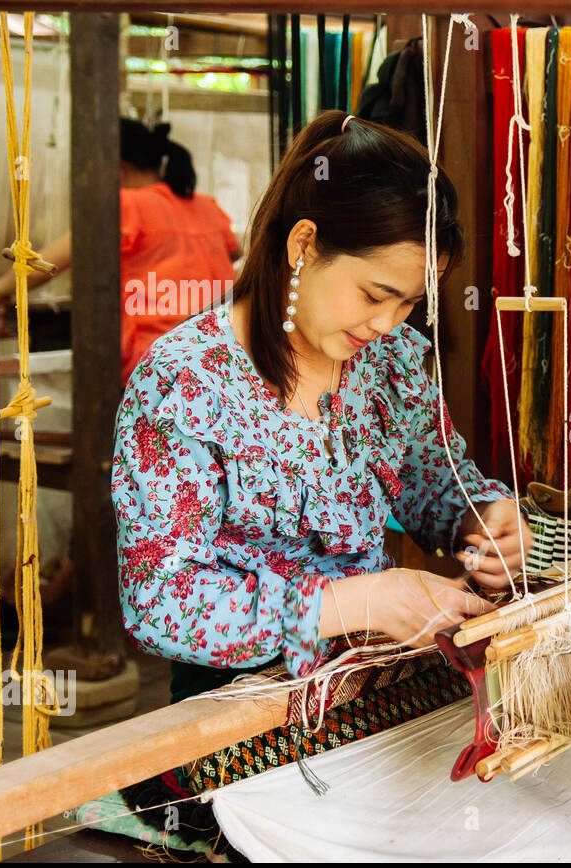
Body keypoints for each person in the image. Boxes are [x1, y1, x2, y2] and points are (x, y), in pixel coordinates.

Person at [110, 110, 533, 703]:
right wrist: (358, 602)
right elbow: (161, 604)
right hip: (244, 709)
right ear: (304, 245)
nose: (387, 323)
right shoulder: (185, 382)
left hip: (373, 685)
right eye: (375, 294)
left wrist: (482, 519)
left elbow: (431, 481)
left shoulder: (389, 364)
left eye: (409, 303)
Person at [0, 119, 241, 388]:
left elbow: (45, 264)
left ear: (118, 169)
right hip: (223, 362)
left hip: (160, 368)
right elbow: (234, 254)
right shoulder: (207, 207)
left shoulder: (127, 205)